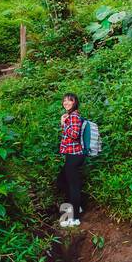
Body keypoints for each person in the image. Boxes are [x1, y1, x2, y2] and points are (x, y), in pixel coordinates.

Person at [57, 93, 86, 227]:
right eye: (64, 101)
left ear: (75, 102)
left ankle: (74, 218)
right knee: (62, 181)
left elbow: (74, 134)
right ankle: (76, 207)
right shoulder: (71, 116)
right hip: (72, 155)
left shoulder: (74, 116)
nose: (66, 103)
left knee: (73, 186)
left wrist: (64, 124)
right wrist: (65, 122)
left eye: (70, 101)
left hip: (75, 155)